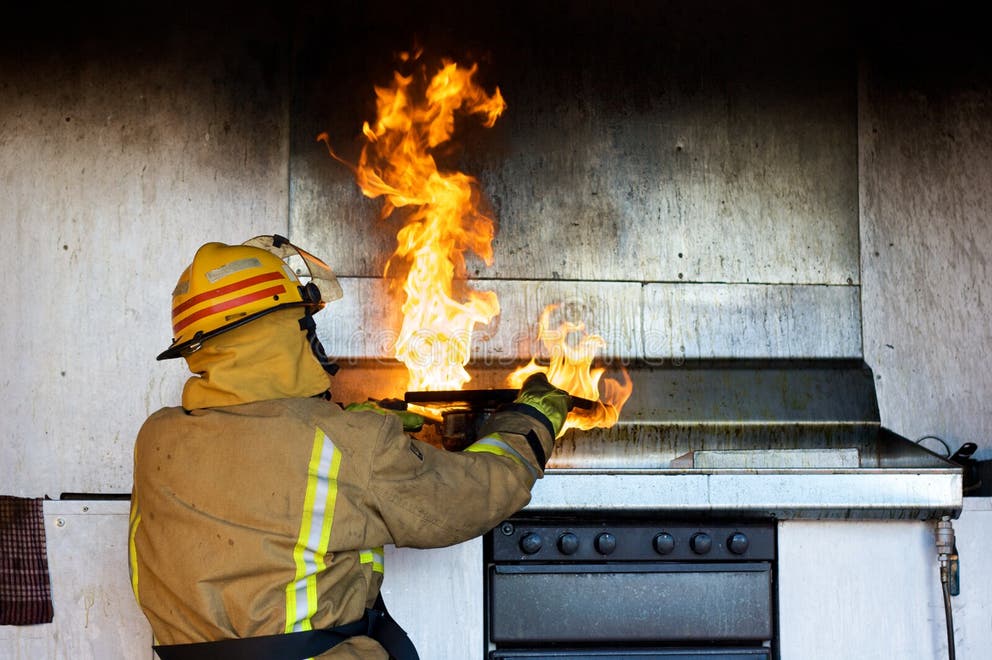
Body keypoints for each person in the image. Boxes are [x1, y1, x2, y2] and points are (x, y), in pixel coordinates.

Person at [128, 235, 570, 660]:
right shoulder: (347, 444)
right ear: (284, 333)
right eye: (305, 322)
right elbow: (468, 498)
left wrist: (345, 419)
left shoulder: (156, 438)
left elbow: (253, 460)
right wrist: (529, 423)